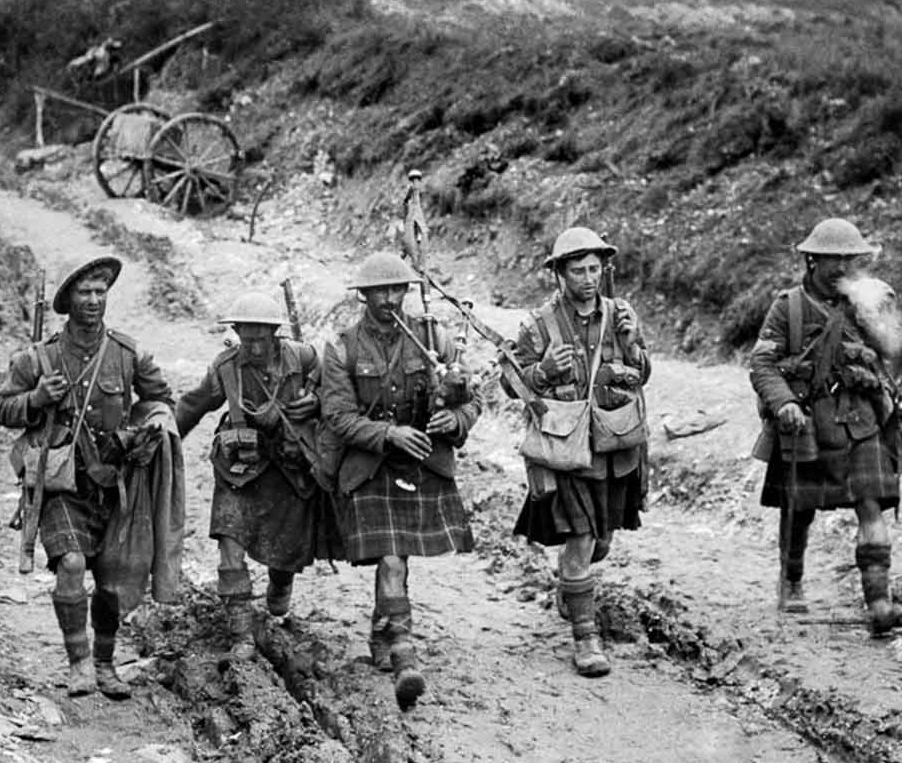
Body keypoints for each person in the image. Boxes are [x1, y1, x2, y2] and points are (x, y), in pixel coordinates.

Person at [0, 255, 179, 698]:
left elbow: (161, 401)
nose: (94, 300)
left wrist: (141, 433)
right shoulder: (39, 358)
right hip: (60, 483)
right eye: (84, 292)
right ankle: (78, 663)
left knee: (114, 578)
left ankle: (105, 662)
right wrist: (36, 399)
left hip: (115, 483)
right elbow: (0, 407)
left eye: (100, 291)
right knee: (72, 564)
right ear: (68, 300)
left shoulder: (127, 354)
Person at [317, 251, 481, 709]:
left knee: (397, 560)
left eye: (397, 290)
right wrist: (388, 434)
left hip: (421, 464)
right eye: (379, 292)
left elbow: (471, 399)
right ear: (363, 296)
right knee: (392, 560)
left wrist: (456, 420)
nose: (389, 299)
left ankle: (381, 628)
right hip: (371, 465)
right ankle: (404, 653)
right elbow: (337, 417)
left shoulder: (435, 339)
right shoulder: (343, 348)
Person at [749, 217, 902, 637]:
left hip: (859, 419)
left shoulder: (864, 299)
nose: (843, 268)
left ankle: (879, 602)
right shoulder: (788, 307)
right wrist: (784, 402)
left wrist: (879, 314)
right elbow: (763, 363)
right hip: (805, 421)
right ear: (811, 261)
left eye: (849, 259)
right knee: (798, 510)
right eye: (833, 260)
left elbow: (895, 350)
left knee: (872, 503)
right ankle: (791, 580)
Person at [508, 226, 651, 678]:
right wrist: (543, 372)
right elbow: (509, 381)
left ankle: (570, 585)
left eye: (594, 269)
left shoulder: (620, 314)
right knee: (582, 538)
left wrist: (631, 347)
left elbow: (643, 373)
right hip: (566, 448)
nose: (588, 278)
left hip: (614, 444)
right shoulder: (539, 324)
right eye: (578, 270)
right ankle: (586, 638)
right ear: (559, 275)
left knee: (602, 540)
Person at [175, 291, 330, 652]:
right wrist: (166, 440)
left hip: (290, 470)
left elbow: (334, 388)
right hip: (239, 469)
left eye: (262, 339)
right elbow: (193, 406)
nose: (255, 347)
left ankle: (280, 586)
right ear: (238, 333)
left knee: (287, 550)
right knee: (230, 541)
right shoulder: (225, 368)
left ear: (275, 334)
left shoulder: (303, 357)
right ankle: (240, 630)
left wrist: (317, 401)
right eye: (248, 338)